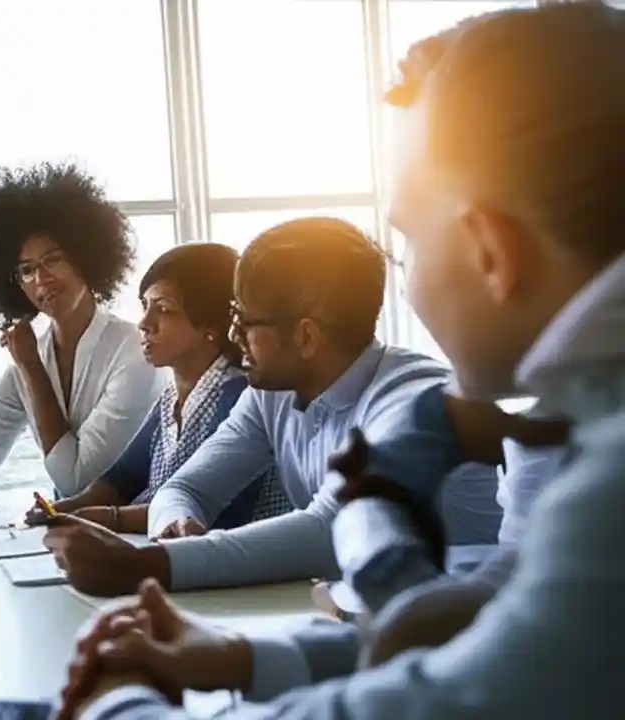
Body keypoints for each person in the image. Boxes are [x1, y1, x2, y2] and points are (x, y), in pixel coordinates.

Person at [57, 4, 625, 717]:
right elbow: (495, 629)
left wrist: (122, 700)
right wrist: (235, 655)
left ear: (491, 253)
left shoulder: (609, 477)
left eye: (410, 242)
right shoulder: (566, 425)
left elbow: (454, 696)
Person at [43, 217, 504, 597]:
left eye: (244, 321)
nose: (233, 336)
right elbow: (184, 489)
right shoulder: (271, 395)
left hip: (465, 639)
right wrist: (175, 527)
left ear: (306, 336)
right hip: (367, 617)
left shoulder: (412, 400)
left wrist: (152, 563)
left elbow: (331, 529)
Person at [0, 163, 162, 523]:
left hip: (140, 533)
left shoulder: (134, 351)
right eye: (26, 269)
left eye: (52, 260)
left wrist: (32, 368)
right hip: (72, 534)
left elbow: (77, 480)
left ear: (86, 254)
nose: (41, 279)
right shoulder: (30, 356)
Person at [23, 243, 287, 534]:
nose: (145, 323)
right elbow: (122, 479)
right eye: (145, 306)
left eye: (163, 309)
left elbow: (214, 512)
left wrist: (98, 518)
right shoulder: (172, 397)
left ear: (212, 324)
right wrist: (61, 510)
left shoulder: (237, 397)